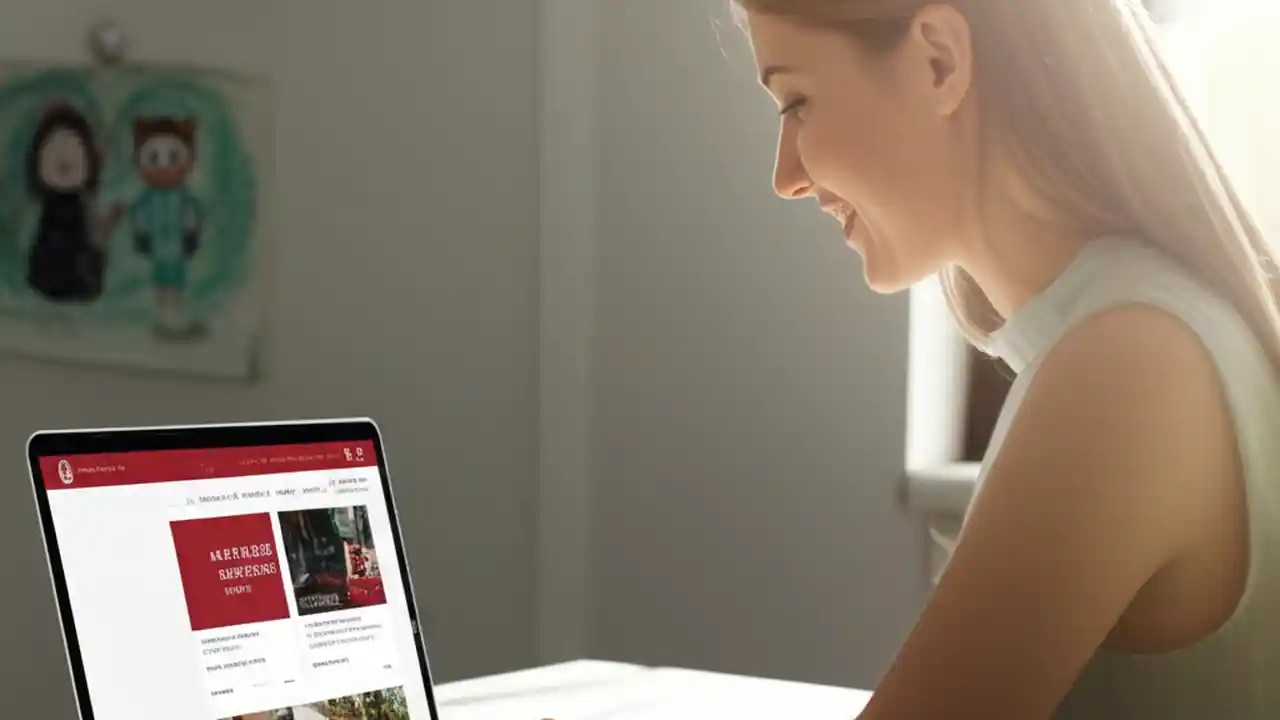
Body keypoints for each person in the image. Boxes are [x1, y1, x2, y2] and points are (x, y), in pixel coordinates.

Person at [731, 0, 1280, 717]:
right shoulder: (1130, 338)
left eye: (797, 101)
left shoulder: (1125, 369)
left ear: (940, 62)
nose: (786, 176)